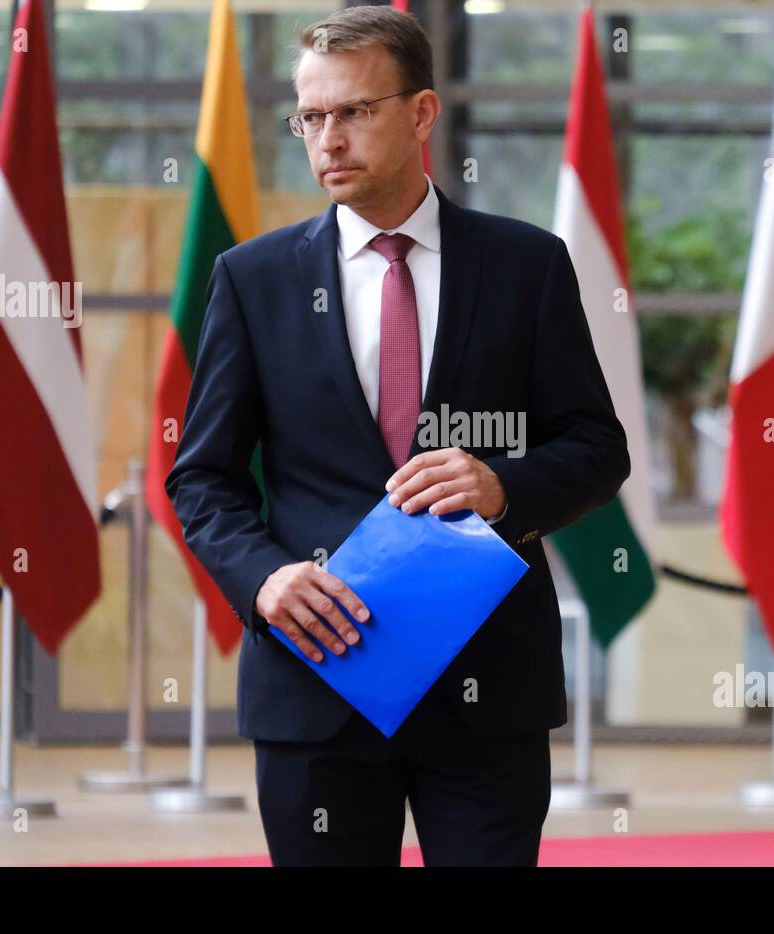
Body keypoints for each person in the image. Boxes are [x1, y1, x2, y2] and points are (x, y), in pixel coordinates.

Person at [166, 4, 629, 866]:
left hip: (486, 690)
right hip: (317, 678)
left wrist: (501, 487)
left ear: (421, 114)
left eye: (355, 112)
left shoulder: (527, 267)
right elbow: (202, 480)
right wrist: (264, 580)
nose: (328, 139)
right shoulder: (252, 280)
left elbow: (598, 448)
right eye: (311, 117)